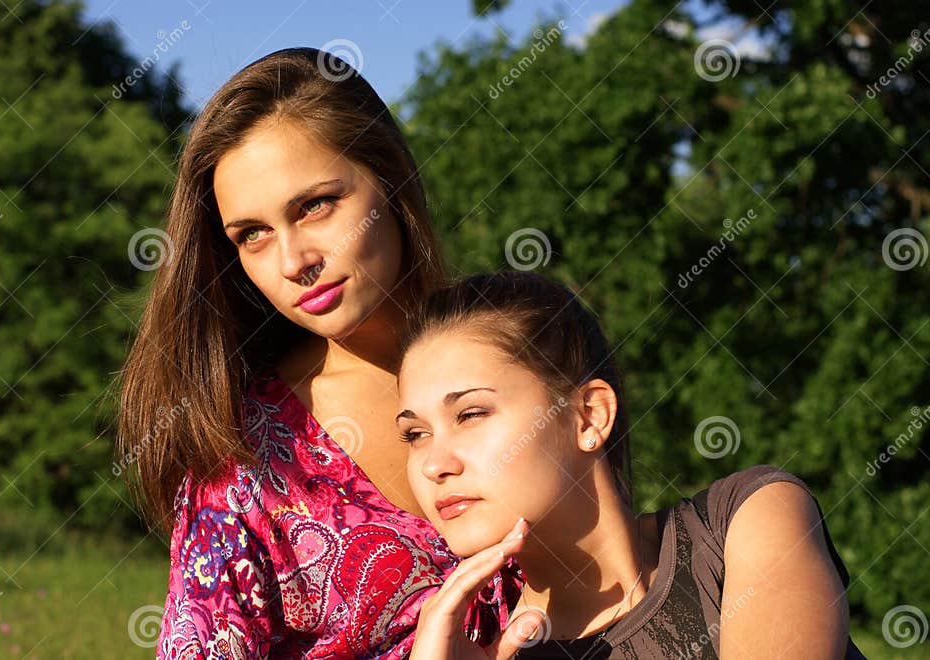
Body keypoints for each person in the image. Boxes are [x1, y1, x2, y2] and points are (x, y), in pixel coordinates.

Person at [116, 48, 532, 658]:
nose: (293, 262)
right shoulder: (243, 467)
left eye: (314, 205)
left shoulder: (529, 366)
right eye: (252, 234)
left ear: (389, 180)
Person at [396, 270, 867, 659]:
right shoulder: (492, 651)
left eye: (471, 414)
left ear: (589, 416)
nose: (435, 463)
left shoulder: (740, 525)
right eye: (415, 434)